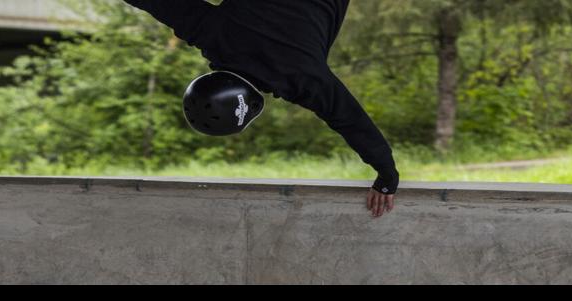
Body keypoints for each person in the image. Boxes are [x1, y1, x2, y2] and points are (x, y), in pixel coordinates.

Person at [124, 0, 398, 218]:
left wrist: (387, 177)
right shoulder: (210, 33)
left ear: (253, 108)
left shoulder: (303, 77)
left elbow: (350, 120)